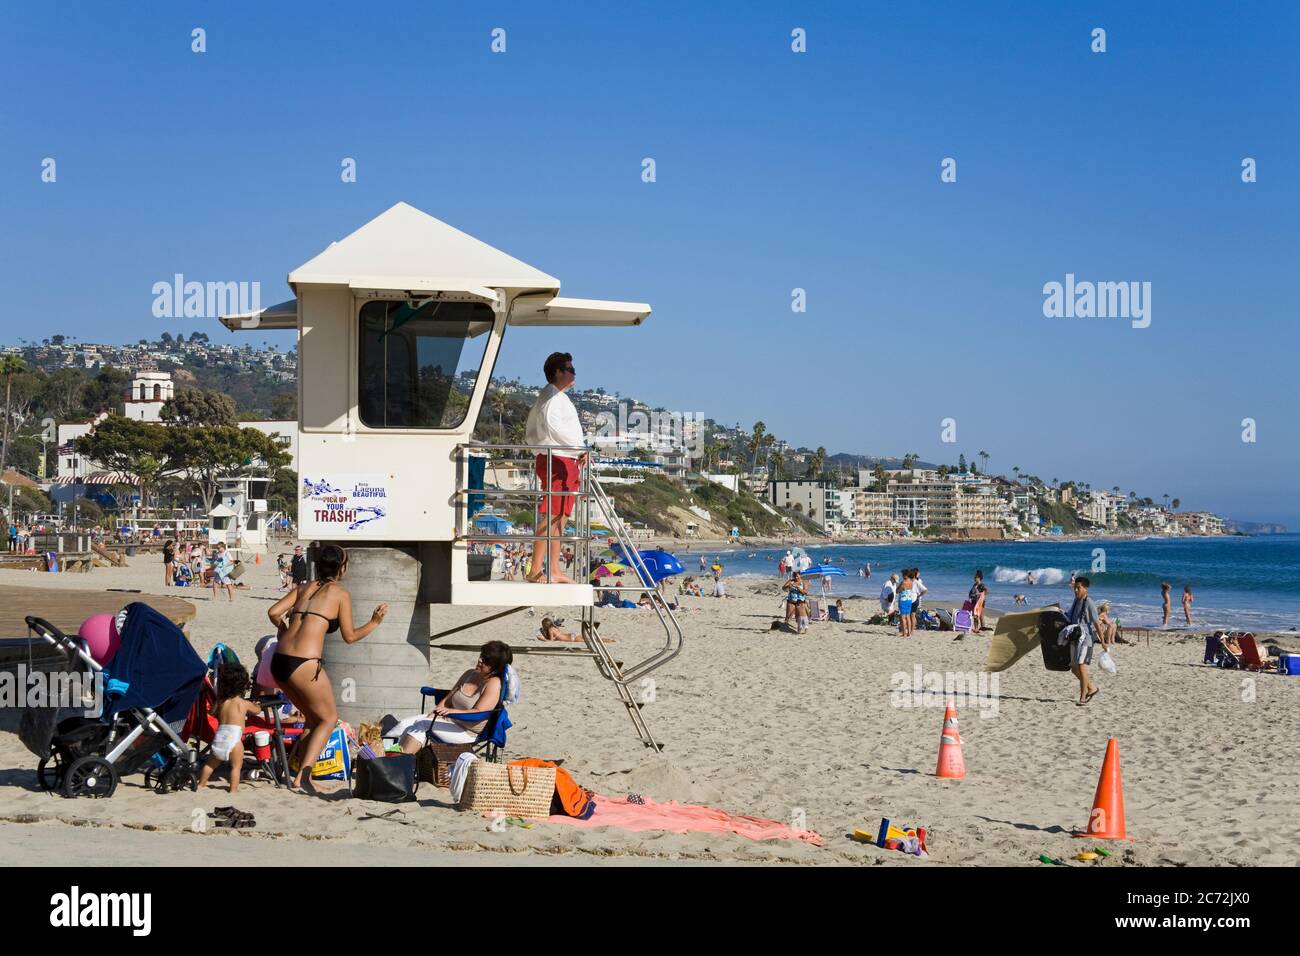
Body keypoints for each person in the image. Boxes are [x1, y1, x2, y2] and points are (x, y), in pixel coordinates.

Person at [269, 545, 388, 792]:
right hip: (304, 664)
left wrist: (283, 630)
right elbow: (350, 636)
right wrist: (374, 622)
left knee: (313, 719)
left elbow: (273, 612)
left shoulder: (303, 587)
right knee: (329, 719)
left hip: (279, 661)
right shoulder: (340, 594)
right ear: (342, 568)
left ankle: (296, 772)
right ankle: (303, 778)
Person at [524, 352, 585, 584]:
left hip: (562, 458)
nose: (574, 373)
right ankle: (536, 569)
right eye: (570, 369)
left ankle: (553, 568)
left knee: (559, 517)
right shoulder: (551, 396)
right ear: (557, 372)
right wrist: (579, 449)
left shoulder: (554, 396)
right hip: (557, 460)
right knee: (552, 515)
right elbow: (553, 426)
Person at [398, 641, 513, 753]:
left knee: (421, 725)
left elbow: (478, 712)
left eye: (486, 660)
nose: (480, 660)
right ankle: (391, 759)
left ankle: (401, 764)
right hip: (449, 720)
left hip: (467, 732)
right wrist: (433, 715)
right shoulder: (470, 673)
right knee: (404, 724)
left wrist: (450, 712)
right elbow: (448, 698)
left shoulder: (494, 684)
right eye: (481, 656)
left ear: (497, 668)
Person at [196, 663, 261, 793]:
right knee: (236, 767)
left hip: (220, 736)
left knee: (209, 764)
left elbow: (214, 712)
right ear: (243, 686)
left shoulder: (221, 701)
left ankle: (201, 784)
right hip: (234, 740)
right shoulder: (243, 703)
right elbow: (257, 711)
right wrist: (256, 705)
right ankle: (233, 789)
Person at [1066, 576, 1102, 705]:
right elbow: (1070, 615)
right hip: (1075, 638)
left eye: (1078, 588)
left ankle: (1082, 697)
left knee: (1081, 666)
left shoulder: (1089, 603)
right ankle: (1092, 688)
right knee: (1074, 669)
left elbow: (1096, 623)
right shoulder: (1076, 601)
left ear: (1085, 589)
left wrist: (1103, 641)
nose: (1076, 590)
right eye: (1075, 588)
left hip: (1086, 639)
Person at [897, 570, 916, 637]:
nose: (902, 576)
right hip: (909, 600)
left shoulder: (903, 582)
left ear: (905, 575)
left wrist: (899, 589)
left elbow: (897, 590)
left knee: (903, 617)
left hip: (903, 600)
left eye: (902, 575)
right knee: (908, 616)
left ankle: (904, 633)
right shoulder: (911, 582)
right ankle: (909, 633)